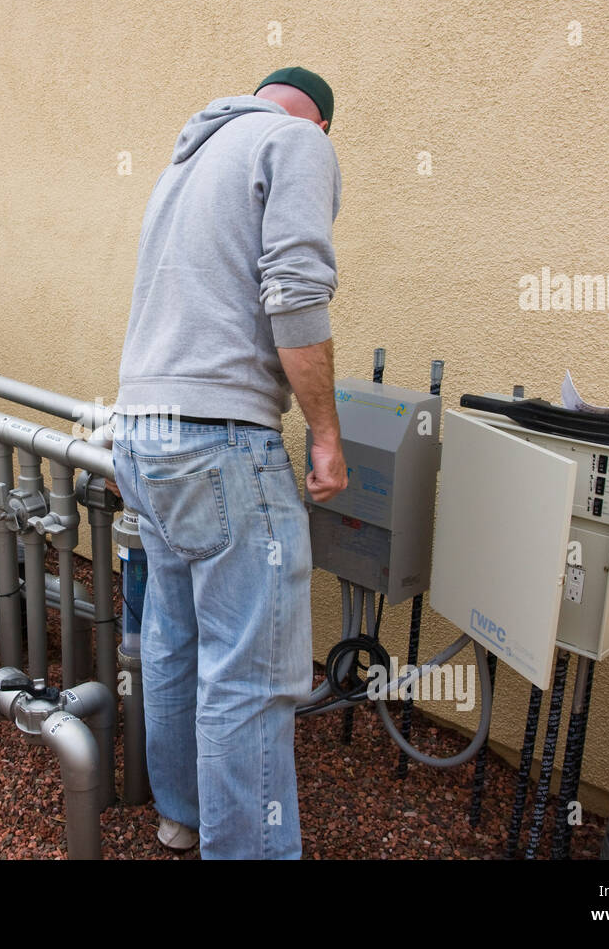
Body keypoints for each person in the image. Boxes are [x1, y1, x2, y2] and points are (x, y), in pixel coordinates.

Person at [111, 67, 349, 859]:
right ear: (320, 126)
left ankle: (181, 816)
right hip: (220, 445)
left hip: (143, 434)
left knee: (175, 639)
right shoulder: (296, 144)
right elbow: (295, 292)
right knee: (252, 675)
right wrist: (324, 433)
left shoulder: (185, 161)